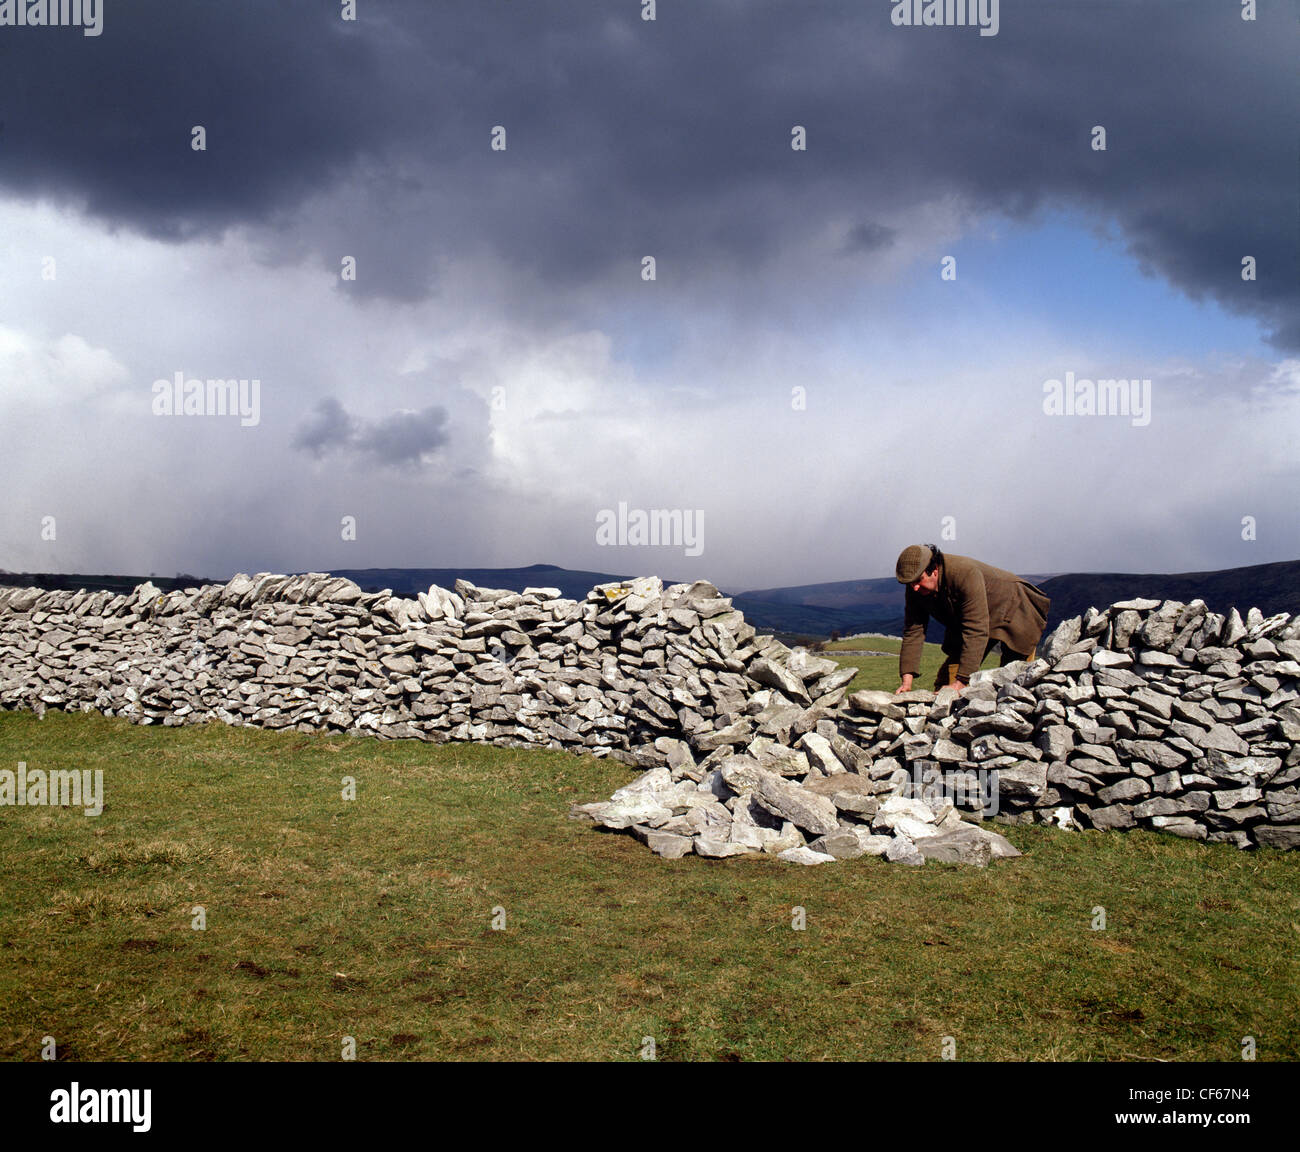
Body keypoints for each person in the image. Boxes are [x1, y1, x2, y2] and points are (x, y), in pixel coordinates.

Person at [894, 544, 1050, 694]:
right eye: (910, 583)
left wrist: (961, 681)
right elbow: (913, 631)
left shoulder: (964, 573)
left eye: (918, 580)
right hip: (978, 619)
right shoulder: (915, 588)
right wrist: (906, 681)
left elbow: (976, 629)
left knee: (1014, 682)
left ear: (934, 570)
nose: (914, 587)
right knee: (945, 682)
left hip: (1016, 609)